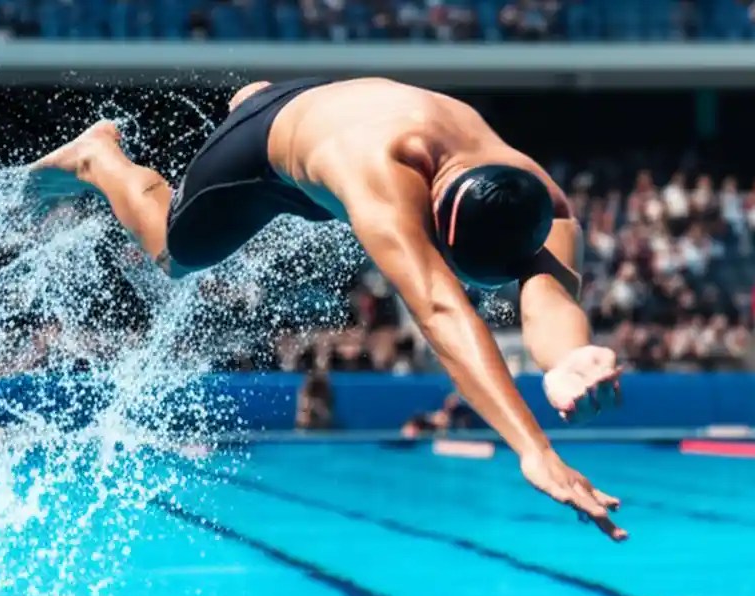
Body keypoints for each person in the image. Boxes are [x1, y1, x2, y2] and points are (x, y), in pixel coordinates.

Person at [33, 77, 627, 541]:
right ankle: (97, 157)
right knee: (173, 252)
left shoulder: (538, 197)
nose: (482, 291)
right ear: (438, 235)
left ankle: (255, 96)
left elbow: (548, 294)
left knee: (315, 190)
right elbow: (442, 313)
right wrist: (533, 448)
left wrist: (570, 357)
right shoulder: (386, 182)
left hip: (338, 111)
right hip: (276, 146)